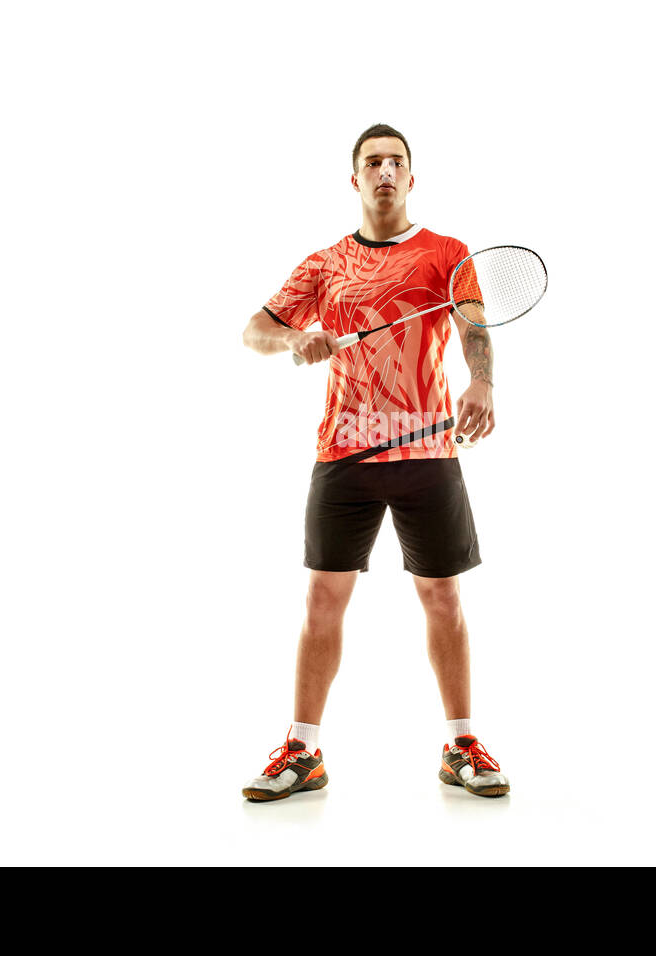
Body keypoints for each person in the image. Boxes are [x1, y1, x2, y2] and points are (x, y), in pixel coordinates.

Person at [239, 123, 509, 800]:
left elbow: (472, 324)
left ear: (410, 179)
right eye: (372, 162)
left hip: (427, 447)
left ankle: (461, 743)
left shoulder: (448, 253)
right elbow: (255, 330)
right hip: (344, 451)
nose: (384, 171)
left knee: (442, 595)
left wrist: (482, 381)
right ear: (355, 179)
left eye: (395, 162)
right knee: (323, 597)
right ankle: (303, 752)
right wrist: (296, 340)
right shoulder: (325, 263)